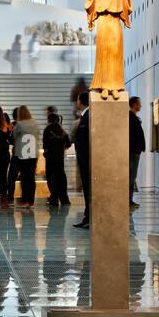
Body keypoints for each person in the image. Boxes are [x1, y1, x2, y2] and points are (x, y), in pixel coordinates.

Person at [10, 106, 41, 209]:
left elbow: (13, 136)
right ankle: (31, 201)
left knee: (24, 177)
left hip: (22, 153)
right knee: (31, 178)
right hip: (33, 154)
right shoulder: (35, 124)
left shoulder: (19, 125)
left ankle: (24, 201)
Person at [43, 111, 72, 207]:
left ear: (49, 120)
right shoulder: (61, 130)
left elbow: (45, 145)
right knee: (61, 177)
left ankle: (54, 200)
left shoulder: (47, 130)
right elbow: (68, 143)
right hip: (60, 158)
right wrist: (62, 148)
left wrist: (46, 152)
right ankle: (64, 200)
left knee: (51, 178)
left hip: (50, 158)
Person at [72, 91, 92, 228]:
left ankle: (89, 217)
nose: (76, 102)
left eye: (78, 100)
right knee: (86, 189)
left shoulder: (89, 116)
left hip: (87, 160)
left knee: (89, 189)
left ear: (82, 101)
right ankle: (87, 217)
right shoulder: (84, 117)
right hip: (84, 160)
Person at [129, 96, 146, 210]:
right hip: (133, 151)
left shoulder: (134, 117)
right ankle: (128, 199)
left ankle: (129, 199)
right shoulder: (131, 117)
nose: (140, 105)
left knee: (132, 176)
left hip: (135, 151)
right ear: (134, 104)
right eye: (139, 103)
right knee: (131, 176)